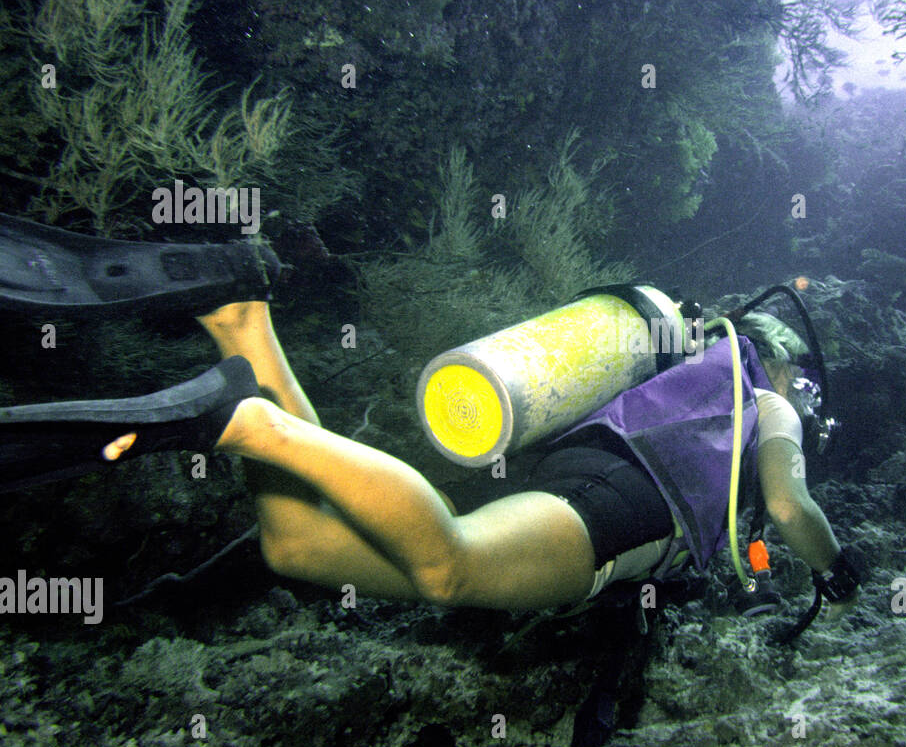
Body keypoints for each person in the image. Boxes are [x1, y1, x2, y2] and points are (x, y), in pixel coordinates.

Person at [0, 217, 859, 616]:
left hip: (578, 469)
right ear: (775, 354)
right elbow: (788, 507)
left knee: (296, 547)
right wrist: (835, 569)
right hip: (629, 508)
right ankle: (250, 422)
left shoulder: (687, 359)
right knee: (451, 567)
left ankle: (240, 319)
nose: (800, 396)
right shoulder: (768, 397)